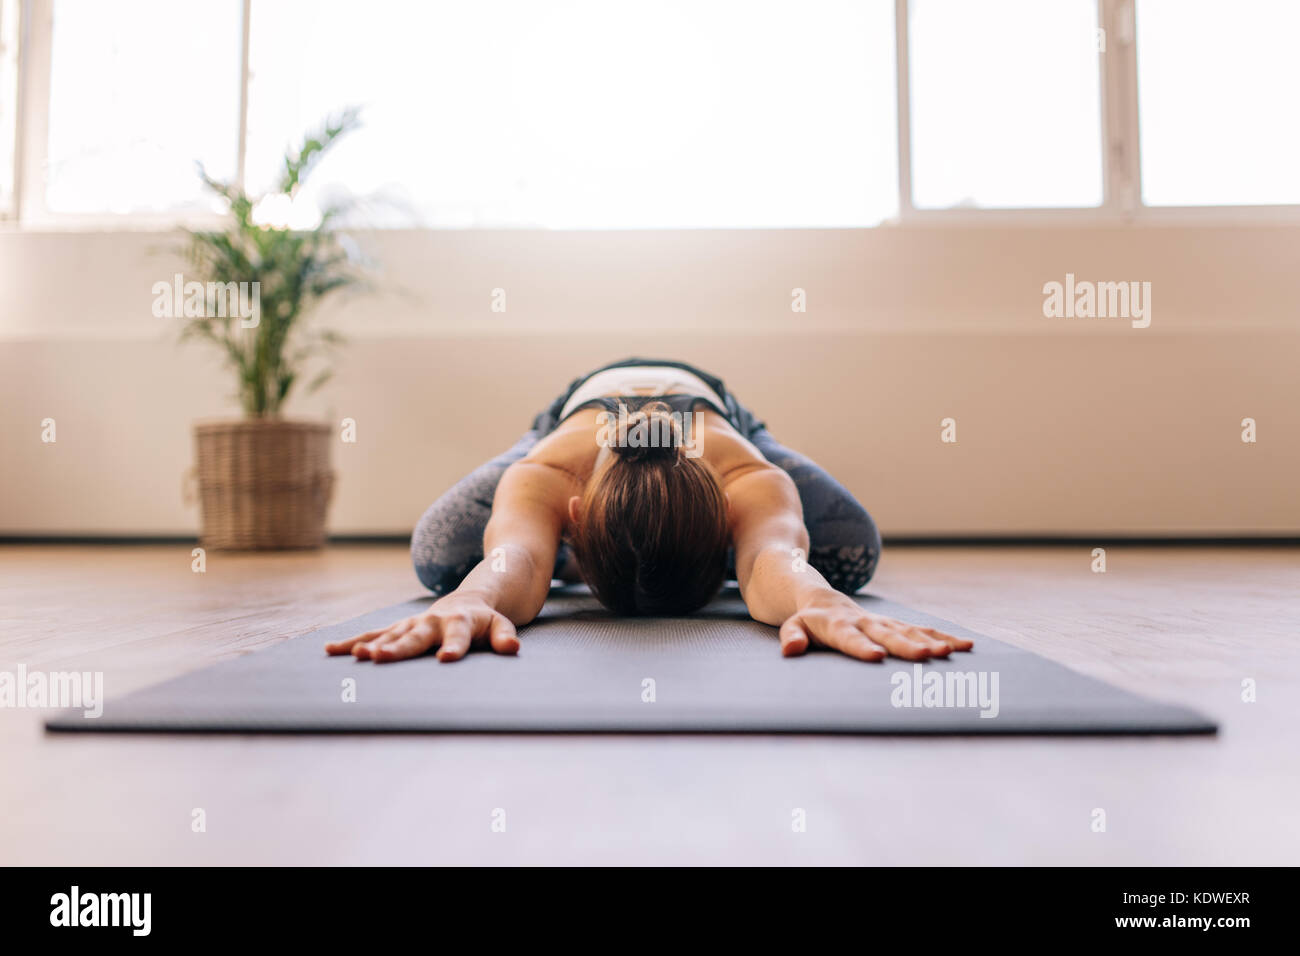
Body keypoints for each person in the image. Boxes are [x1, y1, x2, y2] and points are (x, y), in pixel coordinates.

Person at [326, 358, 972, 663]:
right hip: (573, 418)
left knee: (847, 555)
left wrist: (815, 597)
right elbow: (513, 561)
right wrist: (474, 595)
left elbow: (773, 559)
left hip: (720, 417)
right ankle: (634, 549)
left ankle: (636, 550)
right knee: (444, 560)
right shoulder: (549, 468)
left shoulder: (744, 471)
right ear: (573, 517)